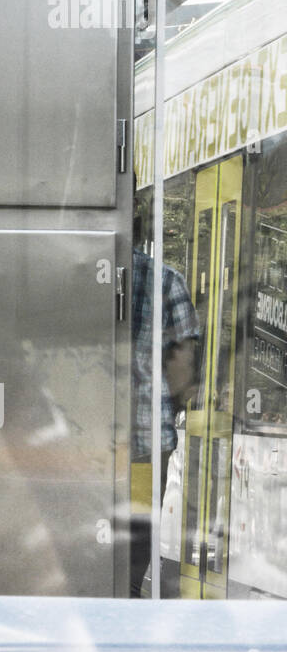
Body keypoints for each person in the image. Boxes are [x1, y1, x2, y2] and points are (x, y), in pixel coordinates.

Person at [129, 246, 200, 597]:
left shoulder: (65, 274)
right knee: (135, 544)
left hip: (83, 446)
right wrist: (173, 402)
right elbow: (183, 362)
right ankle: (124, 597)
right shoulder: (167, 280)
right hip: (146, 443)